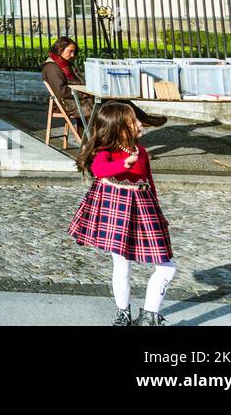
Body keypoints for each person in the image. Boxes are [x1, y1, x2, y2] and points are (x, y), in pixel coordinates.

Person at [69, 101, 177, 326]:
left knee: (166, 266)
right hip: (118, 209)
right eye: (133, 121)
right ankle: (123, 313)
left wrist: (158, 212)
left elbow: (150, 182)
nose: (139, 123)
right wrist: (124, 165)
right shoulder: (107, 151)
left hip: (144, 210)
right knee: (122, 266)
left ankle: (148, 316)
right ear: (118, 127)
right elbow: (99, 170)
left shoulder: (142, 151)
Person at [41, 37, 166, 130]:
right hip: (69, 103)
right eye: (70, 51)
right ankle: (134, 134)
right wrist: (86, 93)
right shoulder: (51, 67)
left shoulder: (66, 64)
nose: (73, 55)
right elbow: (61, 91)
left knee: (120, 100)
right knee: (115, 110)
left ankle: (142, 123)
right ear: (60, 49)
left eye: (74, 52)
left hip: (81, 98)